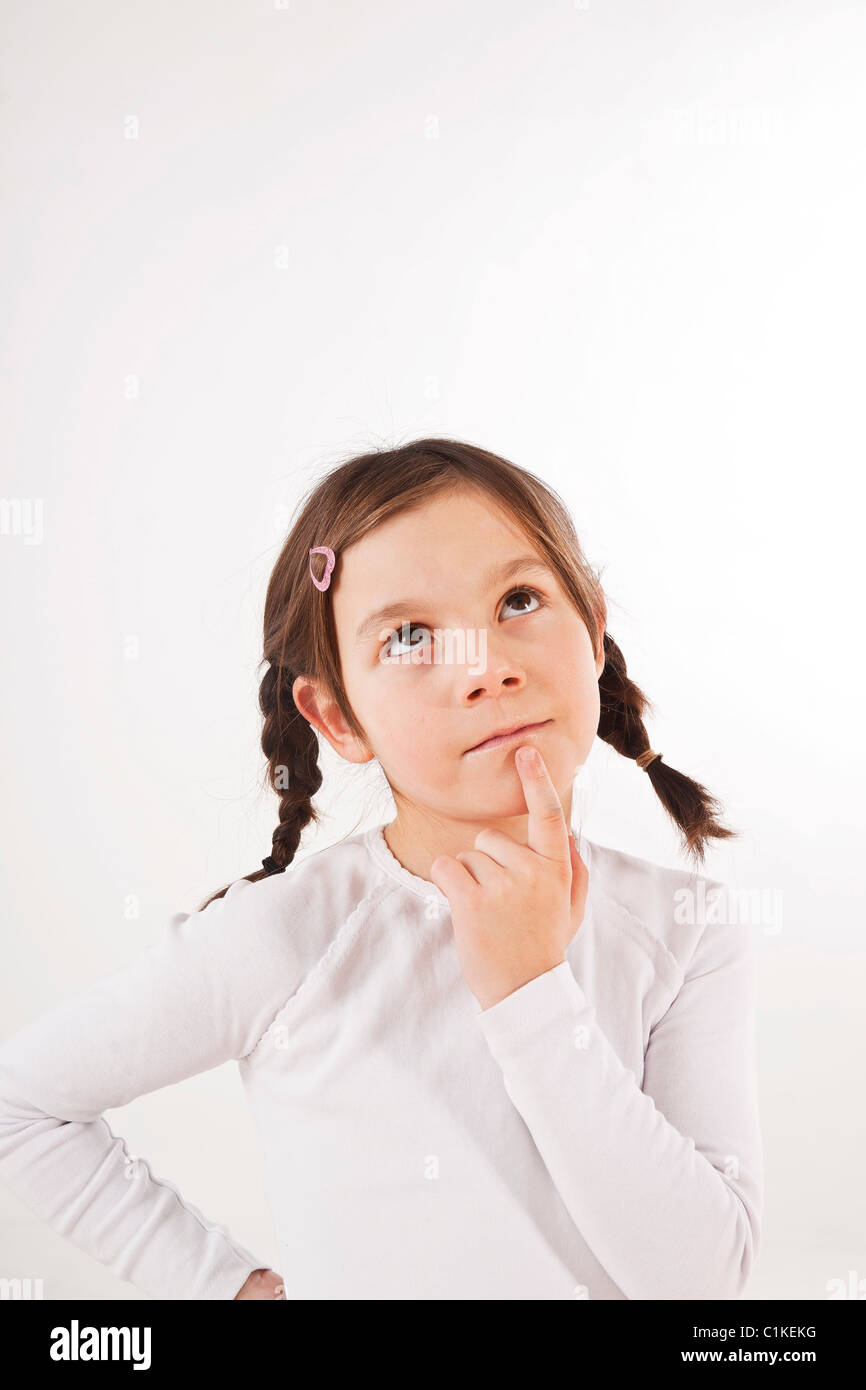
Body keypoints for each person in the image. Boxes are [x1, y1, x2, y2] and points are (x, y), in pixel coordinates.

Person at [0, 437, 762, 1299]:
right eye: (408, 637)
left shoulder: (689, 931)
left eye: (518, 599)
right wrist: (224, 1287)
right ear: (337, 716)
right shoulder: (289, 934)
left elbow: (702, 1286)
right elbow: (22, 1108)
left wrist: (531, 994)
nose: (487, 668)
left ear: (593, 629)